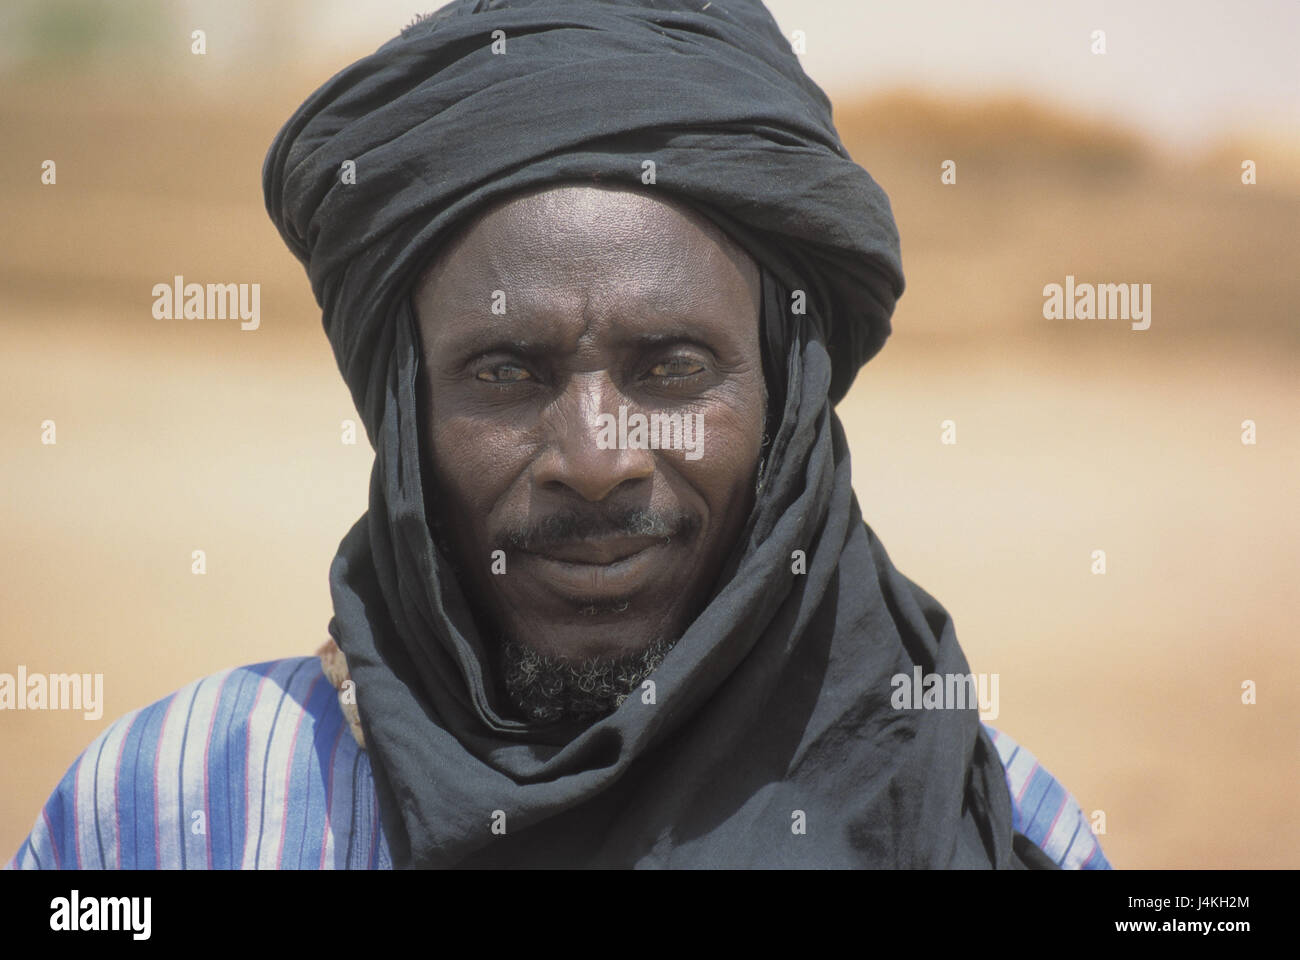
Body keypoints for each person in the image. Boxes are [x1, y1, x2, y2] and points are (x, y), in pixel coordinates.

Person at [8, 0, 1109, 870]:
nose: (594, 459)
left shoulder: (998, 827)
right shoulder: (173, 813)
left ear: (787, 400)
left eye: (671, 367)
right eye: (505, 372)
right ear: (406, 411)